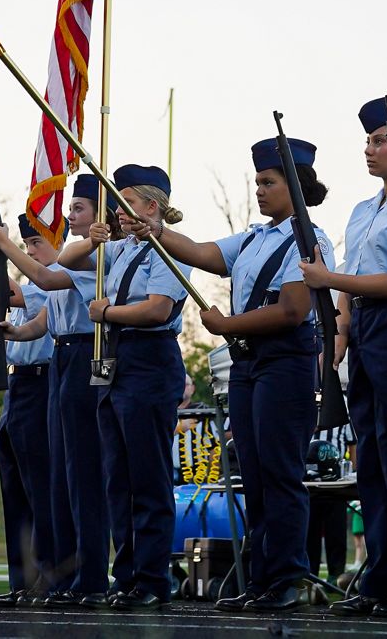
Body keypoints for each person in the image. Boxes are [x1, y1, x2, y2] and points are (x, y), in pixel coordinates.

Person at [142, 144, 332, 613]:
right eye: (258, 182)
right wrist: (160, 232)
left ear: (295, 185)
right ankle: (262, 575)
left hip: (285, 360)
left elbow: (292, 309)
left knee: (280, 471)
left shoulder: (310, 239)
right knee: (255, 472)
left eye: (269, 182)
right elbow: (205, 253)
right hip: (249, 363)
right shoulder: (253, 238)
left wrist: (226, 326)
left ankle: (285, 577)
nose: (259, 190)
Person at [299, 96, 387, 617]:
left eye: (379, 140)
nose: (369, 148)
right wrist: (333, 346)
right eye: (367, 140)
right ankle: (379, 575)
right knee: (373, 464)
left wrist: (329, 279)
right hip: (362, 330)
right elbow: (345, 297)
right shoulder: (364, 210)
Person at [0, 175, 117, 608]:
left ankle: (89, 577)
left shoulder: (92, 255)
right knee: (61, 481)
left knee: (81, 477)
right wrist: (13, 329)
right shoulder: (72, 258)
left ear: (101, 214)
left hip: (84, 358)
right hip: (62, 356)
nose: (70, 216)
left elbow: (40, 276)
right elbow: (46, 320)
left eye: (78, 209)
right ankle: (61, 578)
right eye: (68, 209)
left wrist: (1, 244)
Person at [61, 164, 191, 611]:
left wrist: (106, 313)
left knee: (148, 476)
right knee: (119, 477)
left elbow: (157, 309)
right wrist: (91, 240)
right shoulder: (122, 250)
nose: (118, 212)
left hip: (149, 359)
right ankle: (127, 574)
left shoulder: (166, 251)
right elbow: (64, 262)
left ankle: (153, 578)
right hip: (116, 358)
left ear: (152, 207)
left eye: (128, 204)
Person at [0, 214, 58, 607]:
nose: (31, 250)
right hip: (15, 384)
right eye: (27, 243)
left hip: (41, 384)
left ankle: (48, 578)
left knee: (41, 488)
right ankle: (22, 580)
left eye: (37, 242)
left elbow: (11, 293)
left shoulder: (52, 279)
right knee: (14, 493)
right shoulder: (32, 278)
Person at [306, 423, 354, 589]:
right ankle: (309, 575)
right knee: (309, 531)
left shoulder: (343, 408)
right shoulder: (305, 403)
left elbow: (352, 445)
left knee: (336, 530)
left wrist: (353, 473)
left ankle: (336, 576)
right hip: (309, 480)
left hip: (336, 481)